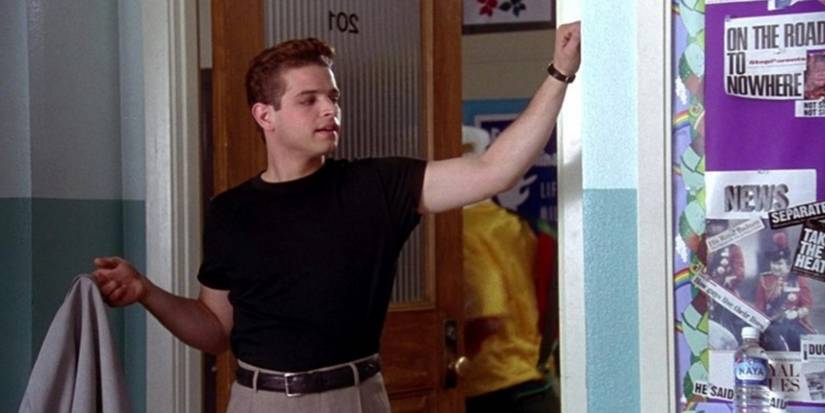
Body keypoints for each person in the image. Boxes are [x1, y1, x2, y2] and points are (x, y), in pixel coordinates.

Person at [92, 22, 581, 413]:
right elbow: (214, 330)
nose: (329, 109)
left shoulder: (378, 187)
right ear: (265, 115)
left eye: (333, 97)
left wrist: (559, 73)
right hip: (261, 401)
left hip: (357, 397)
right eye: (309, 100)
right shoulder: (230, 211)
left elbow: (494, 170)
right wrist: (146, 292)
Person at [754, 233, 815, 351]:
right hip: (771, 322)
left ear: (787, 265)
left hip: (793, 323)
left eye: (779, 264)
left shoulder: (798, 279)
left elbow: (807, 305)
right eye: (773, 263)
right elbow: (759, 306)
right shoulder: (764, 279)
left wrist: (797, 313)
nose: (775, 267)